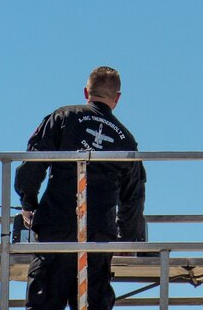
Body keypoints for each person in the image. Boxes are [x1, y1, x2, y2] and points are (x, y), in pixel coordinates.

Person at [15, 67, 146, 310]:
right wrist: (128, 239)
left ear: (86, 92)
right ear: (117, 98)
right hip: (98, 239)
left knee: (44, 304)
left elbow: (32, 164)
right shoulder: (127, 141)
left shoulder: (63, 117)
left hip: (56, 230)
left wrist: (28, 204)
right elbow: (134, 197)